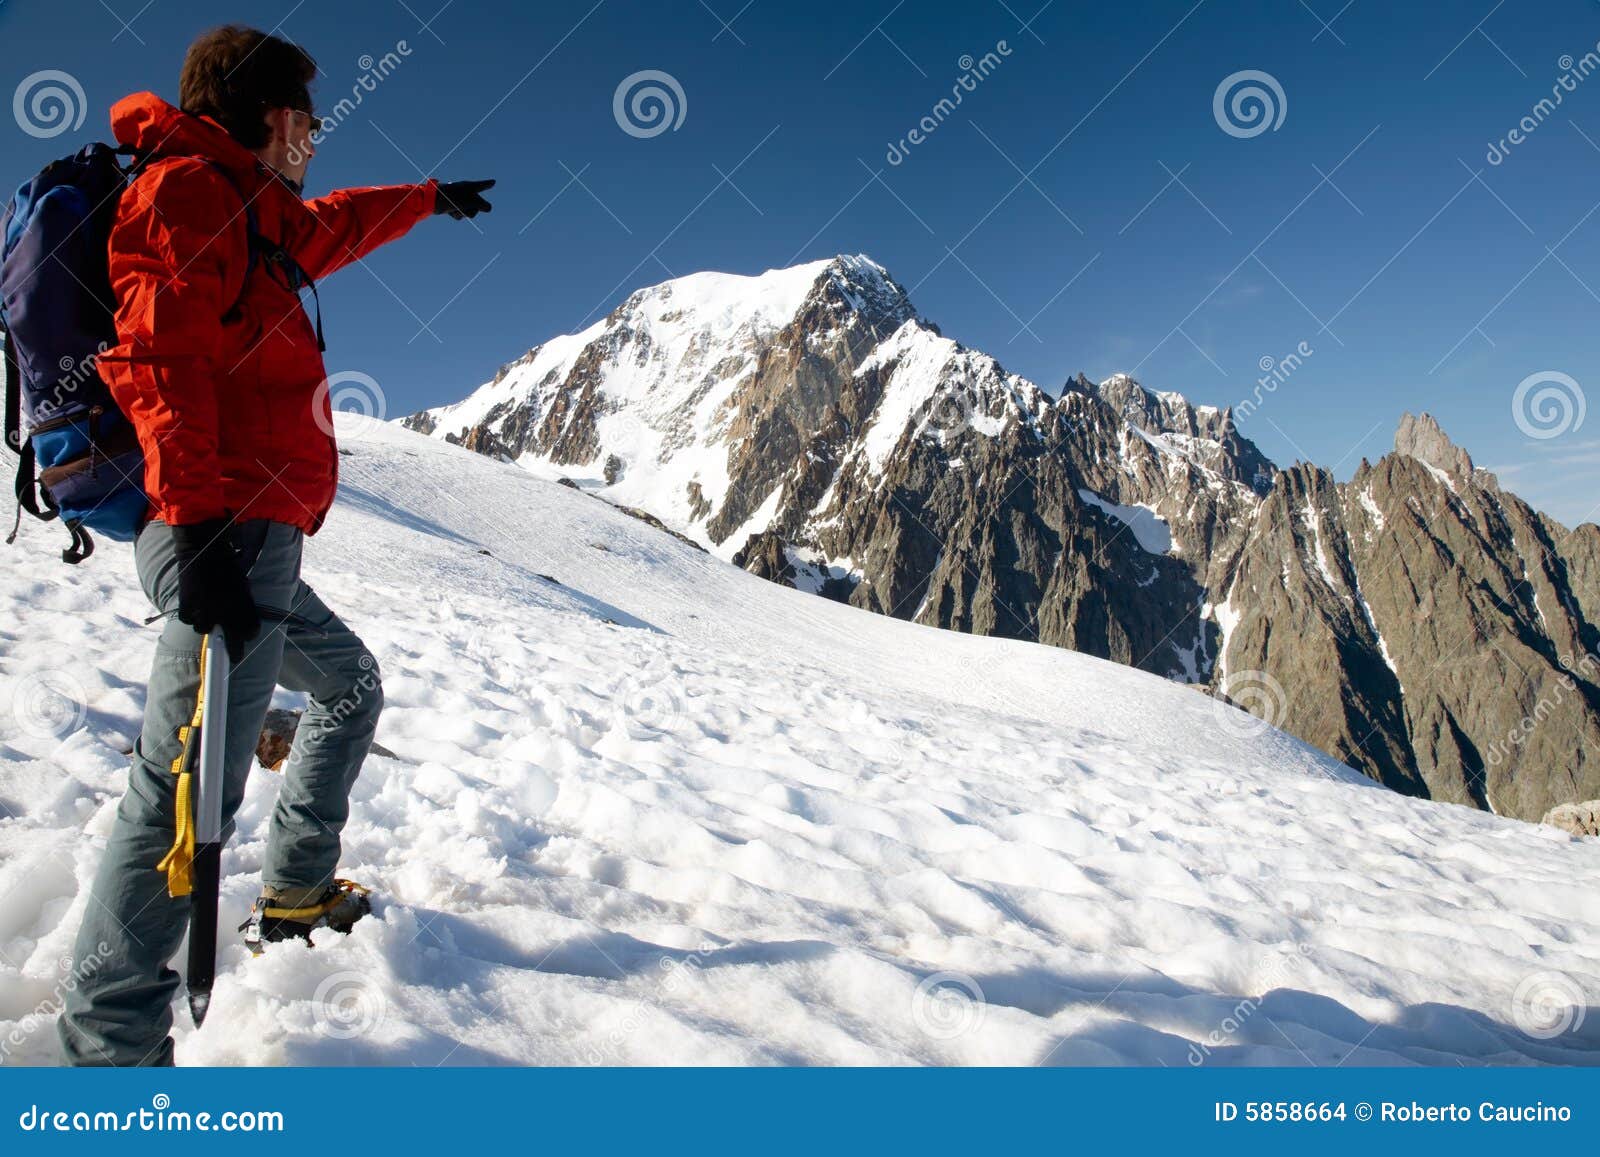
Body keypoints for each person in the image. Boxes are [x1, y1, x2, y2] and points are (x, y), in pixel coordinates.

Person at [57, 24, 494, 1067]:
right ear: (263, 113)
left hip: (247, 535)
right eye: (306, 116)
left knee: (346, 684)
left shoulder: (252, 210)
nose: (315, 137)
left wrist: (429, 199)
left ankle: (295, 890)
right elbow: (159, 357)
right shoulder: (186, 193)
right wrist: (200, 524)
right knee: (181, 785)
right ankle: (108, 1054)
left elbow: (332, 226)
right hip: (220, 530)